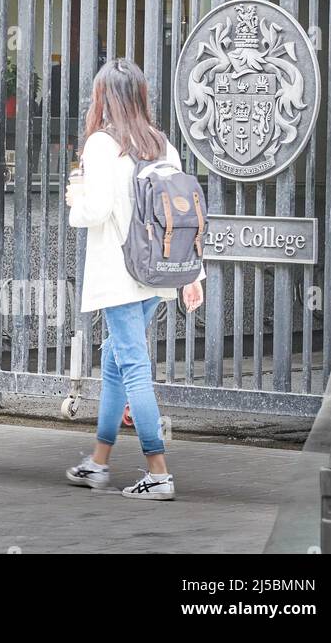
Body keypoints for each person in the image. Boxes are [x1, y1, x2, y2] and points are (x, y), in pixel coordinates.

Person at [64, 57, 204, 501]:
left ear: (103, 98)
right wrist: (192, 275)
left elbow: (95, 211)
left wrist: (75, 195)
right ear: (142, 96)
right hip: (158, 272)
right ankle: (98, 463)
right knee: (117, 365)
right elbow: (182, 213)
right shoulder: (163, 144)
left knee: (135, 366)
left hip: (120, 273)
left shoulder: (102, 145)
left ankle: (158, 472)